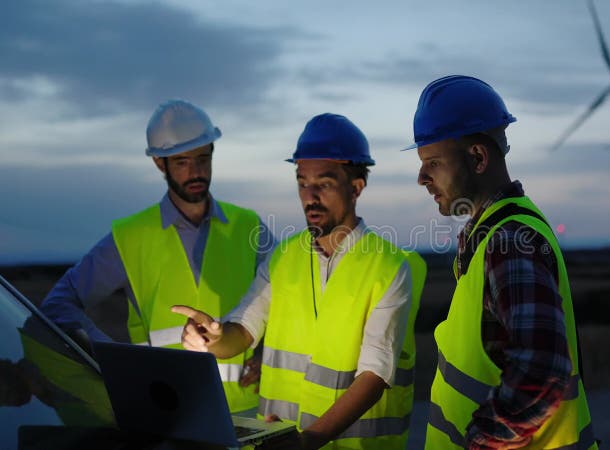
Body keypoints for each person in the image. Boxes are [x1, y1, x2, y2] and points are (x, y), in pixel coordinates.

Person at [172, 113, 426, 450]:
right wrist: (213, 339)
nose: (310, 196)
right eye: (302, 182)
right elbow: (243, 331)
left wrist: (307, 442)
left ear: (356, 187)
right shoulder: (283, 257)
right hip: (278, 443)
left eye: (324, 183)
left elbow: (375, 375)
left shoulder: (389, 266)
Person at [40, 99, 275, 415]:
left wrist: (265, 349)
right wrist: (113, 357)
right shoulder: (131, 236)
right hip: (166, 413)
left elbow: (283, 291)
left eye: (203, 159)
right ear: (159, 164)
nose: (196, 172)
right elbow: (58, 304)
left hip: (244, 415)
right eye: (181, 162)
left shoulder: (248, 226)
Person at [407, 75, 597, 450]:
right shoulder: (490, 235)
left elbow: (541, 372)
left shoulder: (509, 242)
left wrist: (481, 443)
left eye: (433, 163)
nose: (422, 178)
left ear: (478, 157)